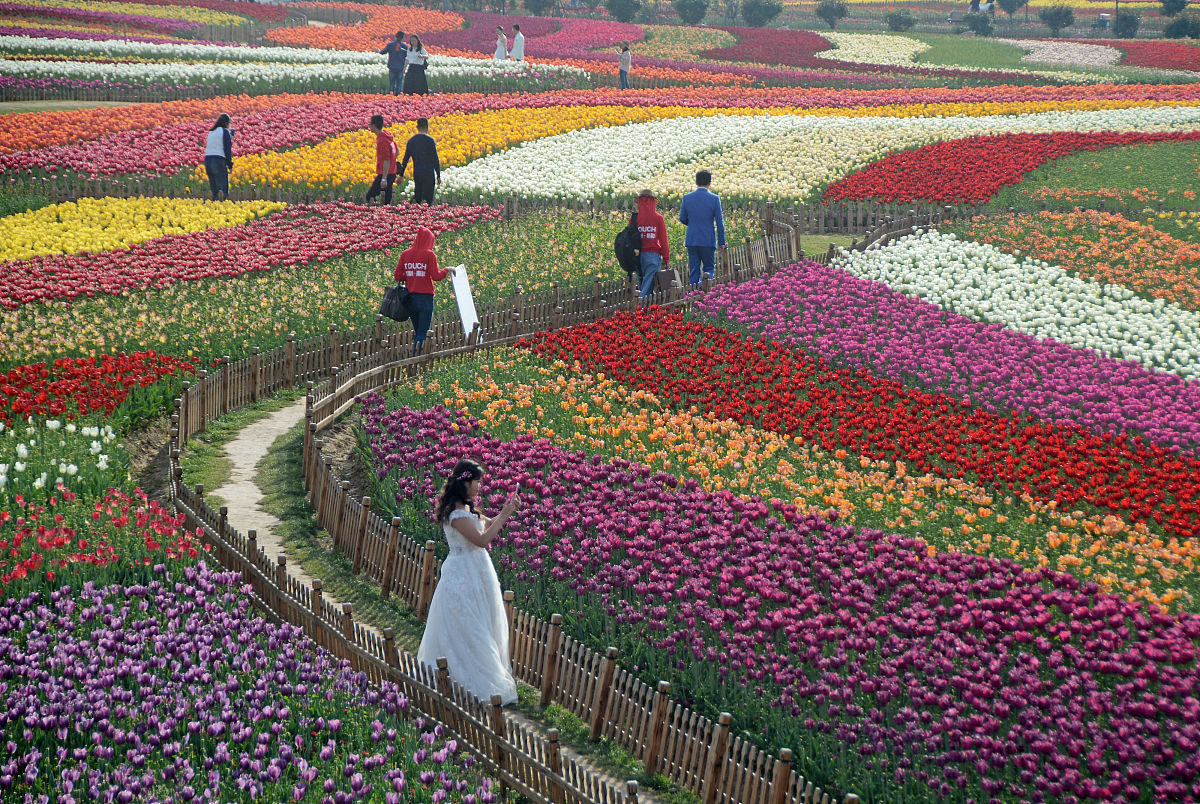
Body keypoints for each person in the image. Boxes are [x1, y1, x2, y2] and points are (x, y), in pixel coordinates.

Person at [417, 460, 519, 705]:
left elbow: (487, 524)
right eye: (476, 481)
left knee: (482, 621)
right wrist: (505, 515)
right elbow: (482, 540)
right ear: (464, 481)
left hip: (478, 573)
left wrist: (506, 510)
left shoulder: (467, 509)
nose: (479, 486)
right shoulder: (455, 513)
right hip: (462, 575)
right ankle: (470, 681)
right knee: (467, 625)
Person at [394, 226, 450, 354]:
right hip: (425, 298)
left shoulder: (405, 254)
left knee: (418, 330)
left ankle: (415, 355)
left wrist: (410, 276)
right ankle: (417, 360)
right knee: (422, 332)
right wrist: (447, 270)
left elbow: (397, 276)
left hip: (410, 298)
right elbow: (436, 276)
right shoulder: (429, 255)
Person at [679, 170, 726, 286]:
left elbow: (682, 218)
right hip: (707, 239)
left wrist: (693, 224)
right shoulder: (714, 199)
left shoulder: (687, 198)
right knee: (709, 268)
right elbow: (720, 222)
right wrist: (721, 242)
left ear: (696, 182)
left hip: (692, 238)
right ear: (709, 183)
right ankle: (704, 291)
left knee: (694, 269)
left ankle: (694, 293)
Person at [635, 189, 669, 299]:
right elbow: (663, 240)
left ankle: (647, 311)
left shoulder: (634, 218)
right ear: (653, 202)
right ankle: (640, 309)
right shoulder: (658, 218)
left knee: (643, 285)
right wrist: (666, 258)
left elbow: (629, 239)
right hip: (652, 255)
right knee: (646, 287)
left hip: (637, 256)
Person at [400, 117, 442, 205]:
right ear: (427, 127)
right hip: (428, 172)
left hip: (417, 172)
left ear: (417, 127)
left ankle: (414, 213)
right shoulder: (430, 141)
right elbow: (435, 159)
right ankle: (426, 215)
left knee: (418, 196)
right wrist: (438, 175)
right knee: (428, 198)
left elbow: (405, 159)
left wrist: (401, 174)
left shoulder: (411, 141)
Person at [365, 114, 398, 206]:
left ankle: (377, 214)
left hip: (386, 173)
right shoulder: (388, 136)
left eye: (370, 124)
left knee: (370, 196)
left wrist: (384, 178)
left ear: (374, 126)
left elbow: (386, 160)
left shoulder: (382, 140)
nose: (369, 126)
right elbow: (397, 151)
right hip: (392, 171)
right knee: (387, 198)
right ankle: (384, 215)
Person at [203, 113, 233, 201]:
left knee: (215, 190)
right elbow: (227, 150)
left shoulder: (211, 132)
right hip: (218, 160)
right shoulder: (224, 131)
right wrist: (230, 165)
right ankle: (222, 210)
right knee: (222, 190)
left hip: (208, 161)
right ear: (227, 123)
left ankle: (214, 210)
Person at [379, 30, 408, 95]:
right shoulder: (405, 46)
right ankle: (398, 97)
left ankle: (391, 96)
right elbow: (408, 56)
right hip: (400, 67)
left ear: (396, 36)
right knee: (399, 83)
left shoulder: (390, 45)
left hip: (392, 66)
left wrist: (378, 51)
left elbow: (383, 52)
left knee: (392, 83)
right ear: (403, 37)